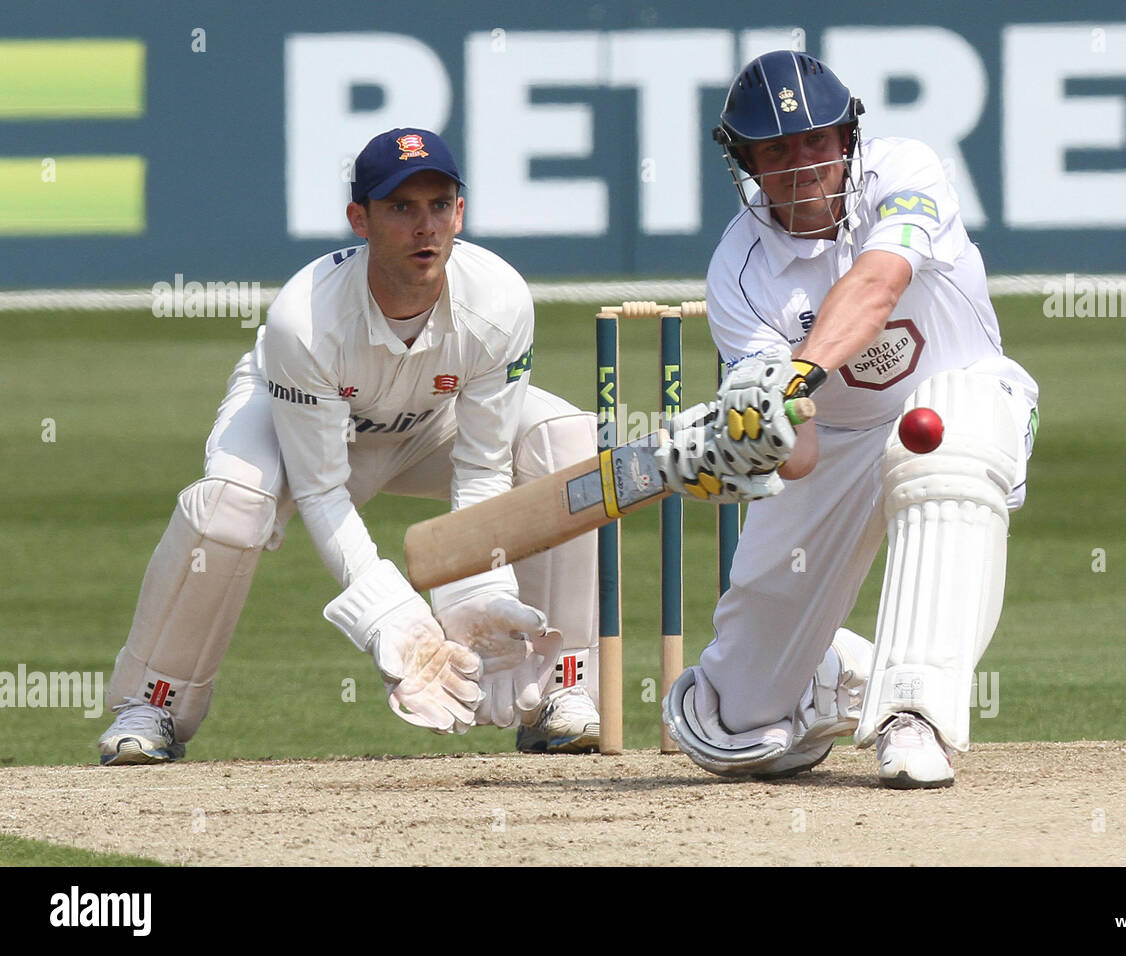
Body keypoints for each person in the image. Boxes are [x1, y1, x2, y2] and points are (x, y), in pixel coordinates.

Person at [97, 128, 601, 765]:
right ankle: (153, 702)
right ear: (358, 219)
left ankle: (558, 689)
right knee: (231, 503)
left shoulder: (499, 301)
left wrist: (472, 592)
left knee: (568, 444)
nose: (426, 227)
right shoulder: (304, 321)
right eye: (401, 208)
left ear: (460, 213)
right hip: (301, 427)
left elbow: (481, 470)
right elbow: (321, 489)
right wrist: (390, 617)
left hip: (426, 428)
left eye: (440, 205)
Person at [660, 51, 1039, 788]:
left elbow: (877, 284)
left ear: (847, 137)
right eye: (776, 150)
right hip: (836, 442)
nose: (803, 165)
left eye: (817, 142)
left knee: (938, 449)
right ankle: (840, 677)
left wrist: (796, 375)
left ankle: (913, 713)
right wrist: (746, 439)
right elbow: (798, 458)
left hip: (963, 398)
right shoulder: (737, 272)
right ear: (745, 161)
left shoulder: (905, 171)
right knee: (736, 722)